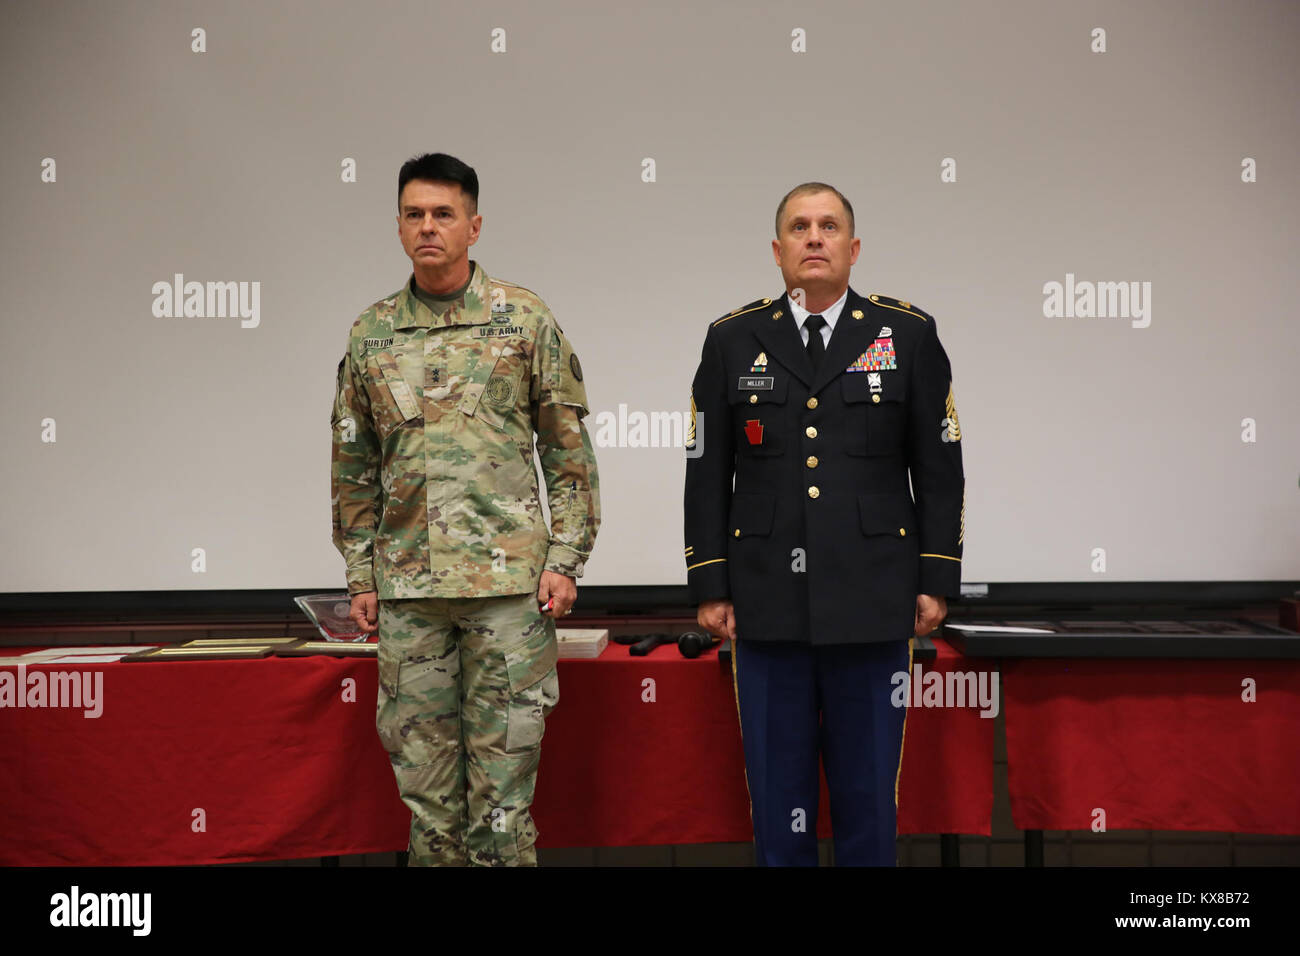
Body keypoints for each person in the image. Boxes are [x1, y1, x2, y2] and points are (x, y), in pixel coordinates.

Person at [683, 182, 964, 866]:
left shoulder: (907, 335)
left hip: (873, 602)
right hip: (767, 604)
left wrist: (936, 575)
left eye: (829, 226)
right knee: (781, 810)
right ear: (778, 251)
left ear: (854, 248)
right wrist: (710, 582)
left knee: (869, 803)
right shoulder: (731, 339)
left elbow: (939, 465)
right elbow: (704, 466)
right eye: (800, 228)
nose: (815, 238)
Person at [331, 152, 600, 866]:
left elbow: (567, 450)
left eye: (443, 214)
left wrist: (566, 558)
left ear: (473, 226)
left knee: (503, 806)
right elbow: (353, 466)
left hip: (509, 595)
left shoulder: (524, 319)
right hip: (411, 596)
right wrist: (362, 575)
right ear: (397, 227)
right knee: (429, 811)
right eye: (415, 215)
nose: (429, 228)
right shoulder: (372, 333)